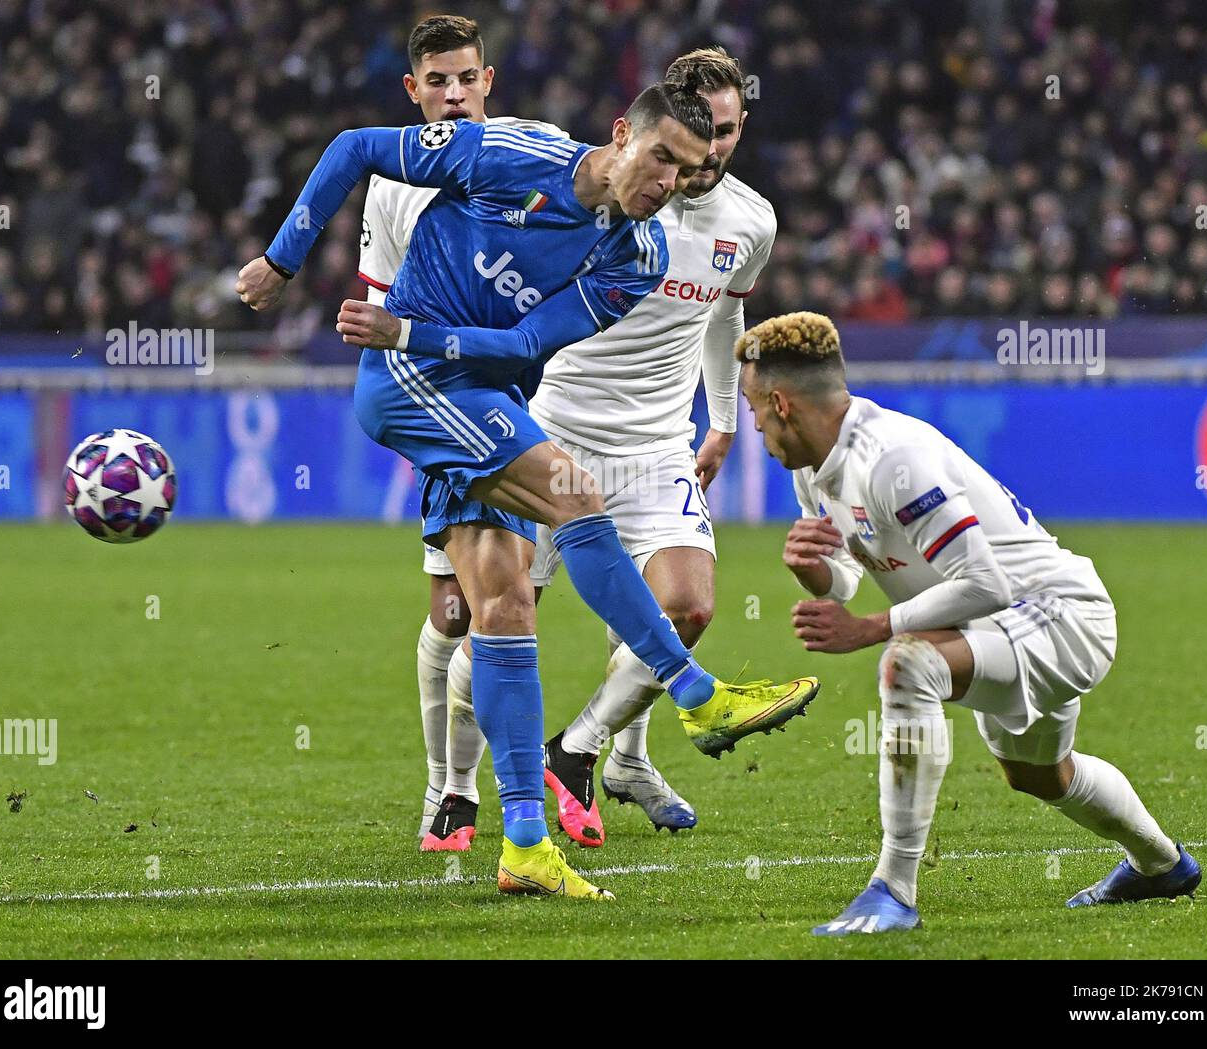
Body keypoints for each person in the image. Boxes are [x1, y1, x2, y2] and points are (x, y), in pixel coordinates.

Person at [236, 77, 819, 900]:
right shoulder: (512, 152)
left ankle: (524, 844)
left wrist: (416, 327)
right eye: (659, 159)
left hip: (470, 380)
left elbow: (520, 343)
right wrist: (282, 259)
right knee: (577, 496)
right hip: (408, 378)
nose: (667, 184)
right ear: (621, 134)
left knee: (503, 608)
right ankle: (696, 693)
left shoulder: (637, 258)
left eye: (687, 173)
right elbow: (355, 149)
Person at [734, 311, 1199, 934]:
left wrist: (870, 628)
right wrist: (812, 571)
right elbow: (849, 572)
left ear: (781, 402)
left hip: (1061, 615)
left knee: (908, 664)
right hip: (994, 630)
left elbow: (986, 582)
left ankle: (893, 891)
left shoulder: (893, 462)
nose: (754, 423)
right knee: (1039, 776)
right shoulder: (813, 468)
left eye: (754, 408)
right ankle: (1161, 865)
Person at [352, 15, 566, 846]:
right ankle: (452, 786)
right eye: (436, 82)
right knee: (455, 612)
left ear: (488, 81)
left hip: (528, 400)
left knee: (505, 605)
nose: (452, 94)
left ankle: (525, 786)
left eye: (466, 78)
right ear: (413, 91)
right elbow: (377, 302)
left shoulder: (536, 148)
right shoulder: (393, 183)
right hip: (443, 401)